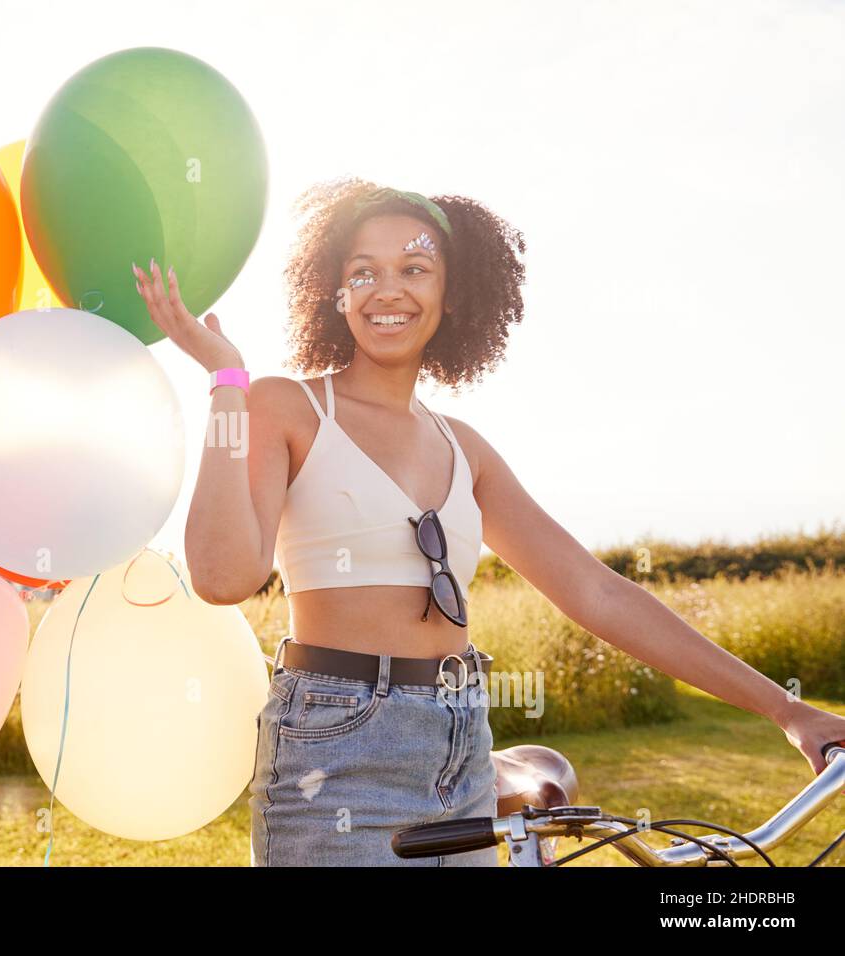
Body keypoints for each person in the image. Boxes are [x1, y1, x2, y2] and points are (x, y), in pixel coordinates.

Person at [132, 177, 845, 866]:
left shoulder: (464, 448)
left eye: (415, 267)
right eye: (364, 270)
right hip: (336, 749)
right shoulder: (284, 405)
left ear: (453, 292)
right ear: (337, 291)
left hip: (463, 742)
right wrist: (226, 383)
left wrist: (788, 711)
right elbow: (225, 577)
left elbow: (596, 593)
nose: (389, 289)